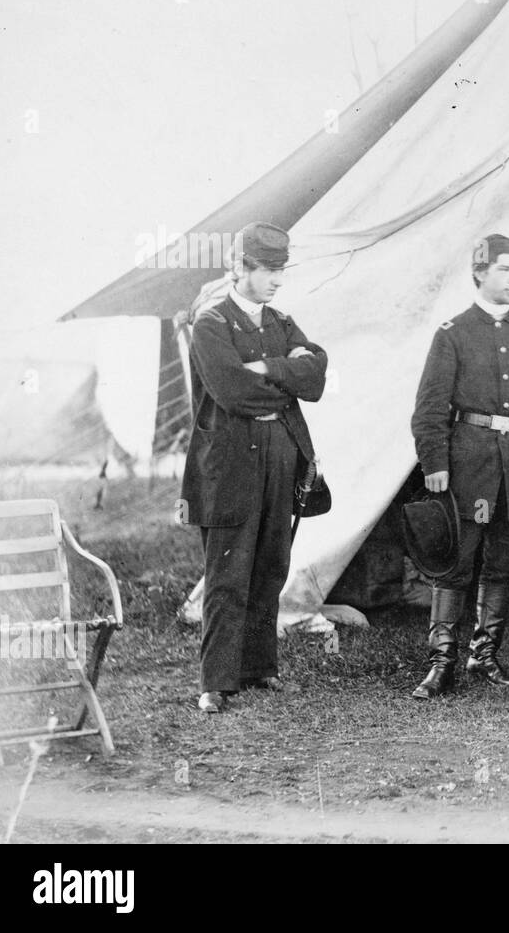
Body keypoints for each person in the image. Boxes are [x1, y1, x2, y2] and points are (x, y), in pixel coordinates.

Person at [180, 222, 328, 713]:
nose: (277, 281)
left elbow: (317, 374)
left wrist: (269, 369)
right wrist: (284, 377)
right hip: (230, 463)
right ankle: (216, 681)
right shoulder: (211, 323)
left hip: (281, 453)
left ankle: (259, 666)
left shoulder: (280, 321)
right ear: (239, 268)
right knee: (227, 570)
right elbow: (233, 393)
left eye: (281, 270)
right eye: (268, 270)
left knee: (271, 563)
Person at [410, 234, 509, 699]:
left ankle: (484, 652)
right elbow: (429, 407)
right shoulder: (453, 333)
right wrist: (434, 461)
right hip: (467, 460)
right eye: (504, 269)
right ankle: (442, 661)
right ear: (479, 272)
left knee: (505, 562)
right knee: (456, 561)